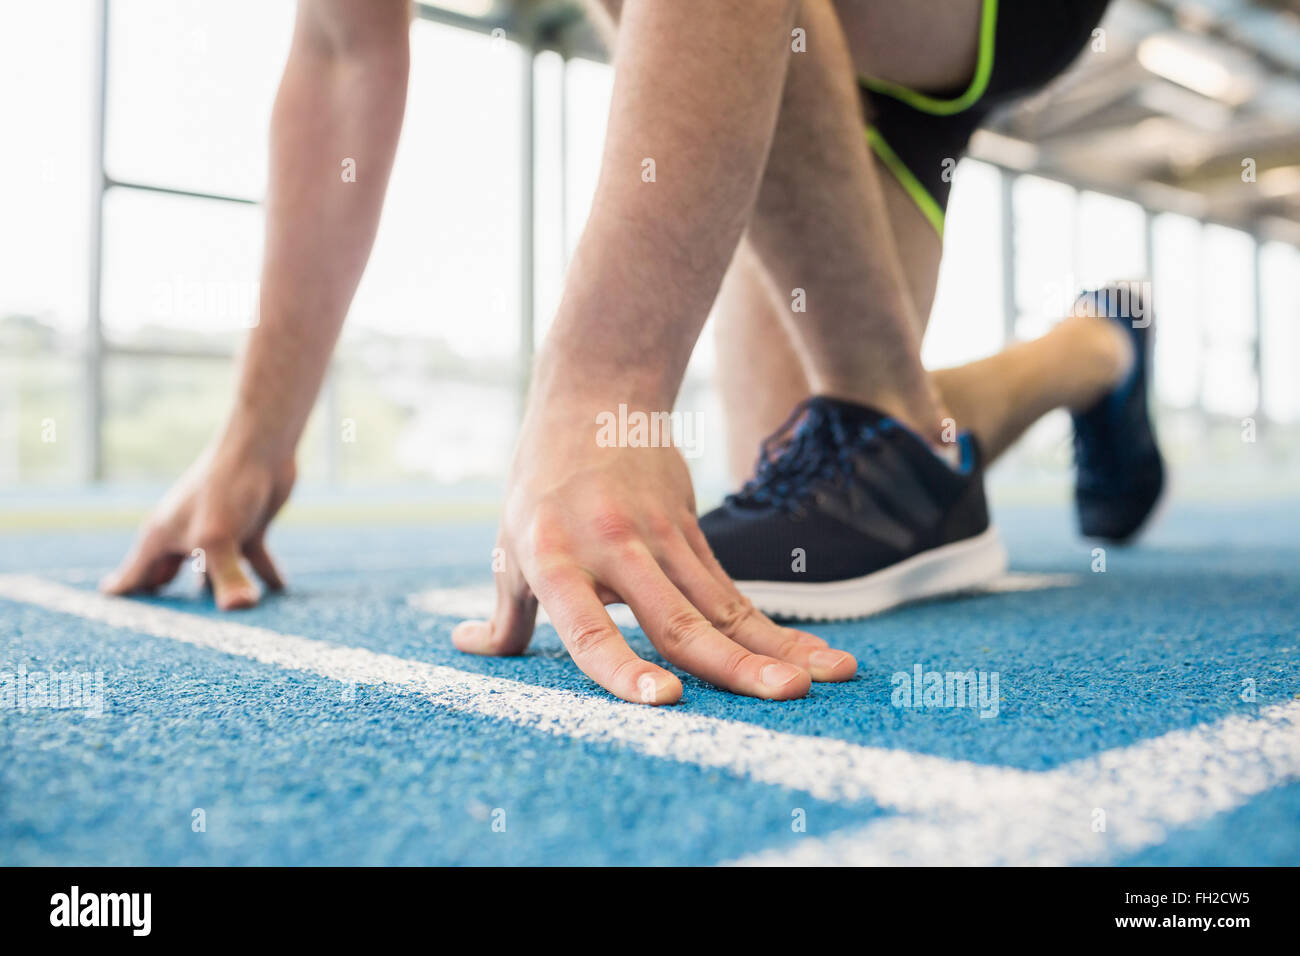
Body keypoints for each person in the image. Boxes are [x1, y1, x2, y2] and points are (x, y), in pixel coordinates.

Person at [103, 0, 1161, 707]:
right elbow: (341, 50)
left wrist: (607, 388)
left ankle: (887, 401)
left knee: (848, 449)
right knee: (826, 484)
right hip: (802, 57)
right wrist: (256, 434)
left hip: (969, 15)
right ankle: (1095, 348)